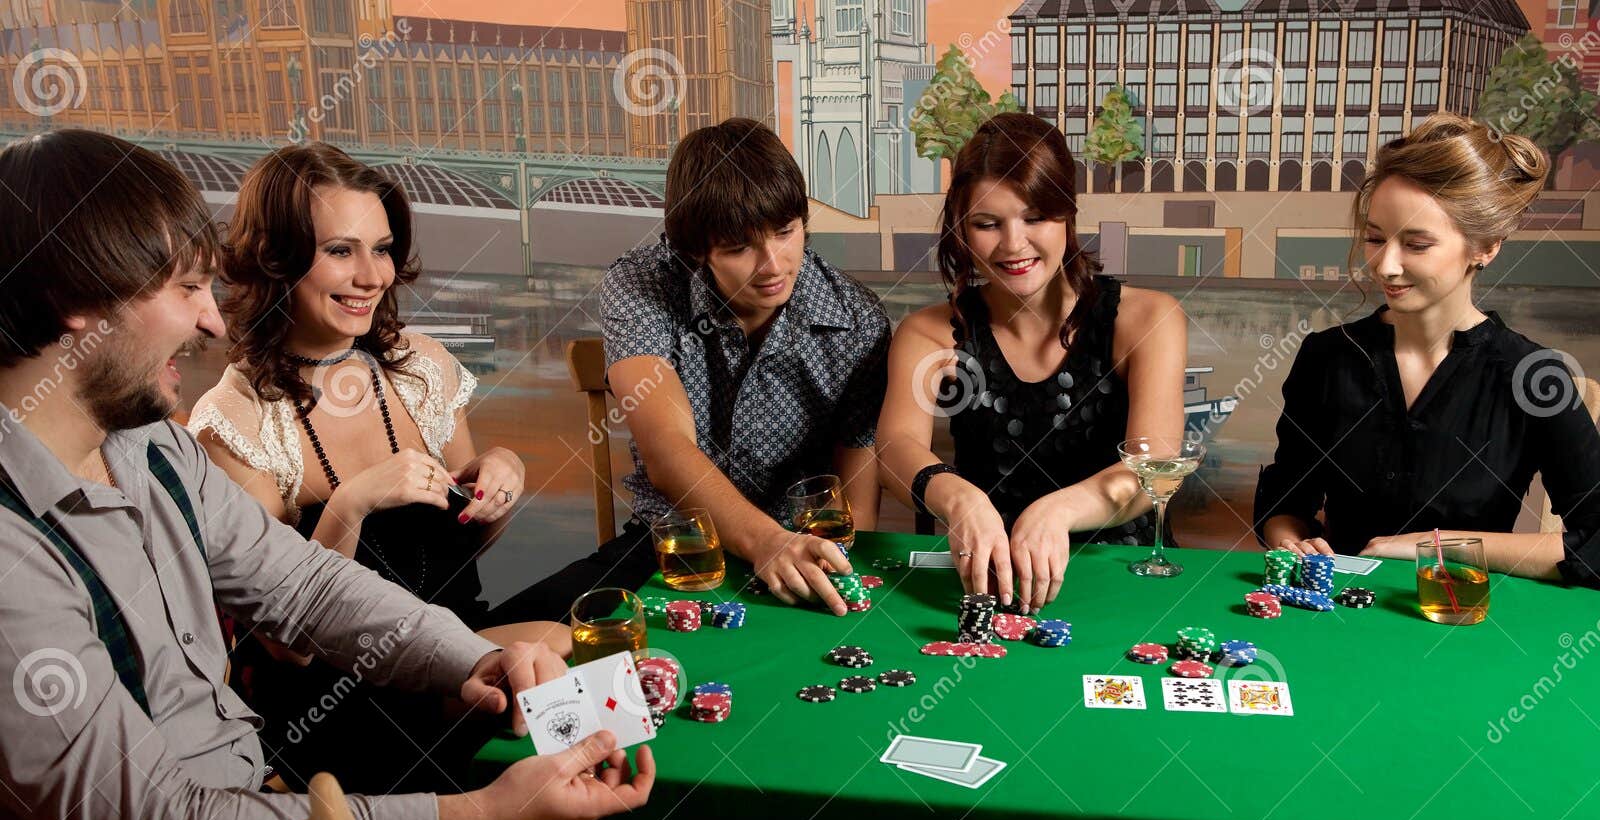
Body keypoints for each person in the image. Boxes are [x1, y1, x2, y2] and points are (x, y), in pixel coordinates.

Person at [0, 130, 654, 820]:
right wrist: (479, 816)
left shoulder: (146, 442)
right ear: (77, 300)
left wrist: (469, 658)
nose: (214, 322)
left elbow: (303, 586)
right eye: (187, 288)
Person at [188, 143, 567, 790]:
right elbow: (290, 645)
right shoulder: (235, 421)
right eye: (340, 251)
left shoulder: (421, 366)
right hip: (334, 703)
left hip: (453, 646)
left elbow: (463, 544)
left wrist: (497, 481)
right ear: (275, 258)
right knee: (559, 678)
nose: (373, 275)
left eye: (383, 248)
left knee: (603, 635)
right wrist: (350, 504)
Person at [509, 118, 892, 618]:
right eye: (738, 249)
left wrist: (820, 567)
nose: (772, 264)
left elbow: (855, 507)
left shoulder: (858, 320)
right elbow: (667, 450)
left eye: (785, 232)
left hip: (803, 561)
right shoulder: (643, 282)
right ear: (696, 249)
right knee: (497, 639)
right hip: (674, 548)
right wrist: (764, 542)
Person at [1254, 113, 1600, 586]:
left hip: (1466, 617)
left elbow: (1595, 540)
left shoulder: (1536, 374)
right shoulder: (1325, 357)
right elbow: (1283, 501)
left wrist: (1433, 545)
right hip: (1337, 614)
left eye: (1416, 245)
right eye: (1375, 238)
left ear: (1485, 247)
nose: (1386, 266)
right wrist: (1289, 539)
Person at [876, 113, 1187, 612]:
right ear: (962, 229)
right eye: (987, 224)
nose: (1013, 244)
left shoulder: (1150, 318)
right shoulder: (927, 332)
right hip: (989, 580)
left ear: (1068, 213)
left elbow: (1151, 472)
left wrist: (1058, 511)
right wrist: (958, 498)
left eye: (1035, 217)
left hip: (1126, 578)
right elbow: (894, 449)